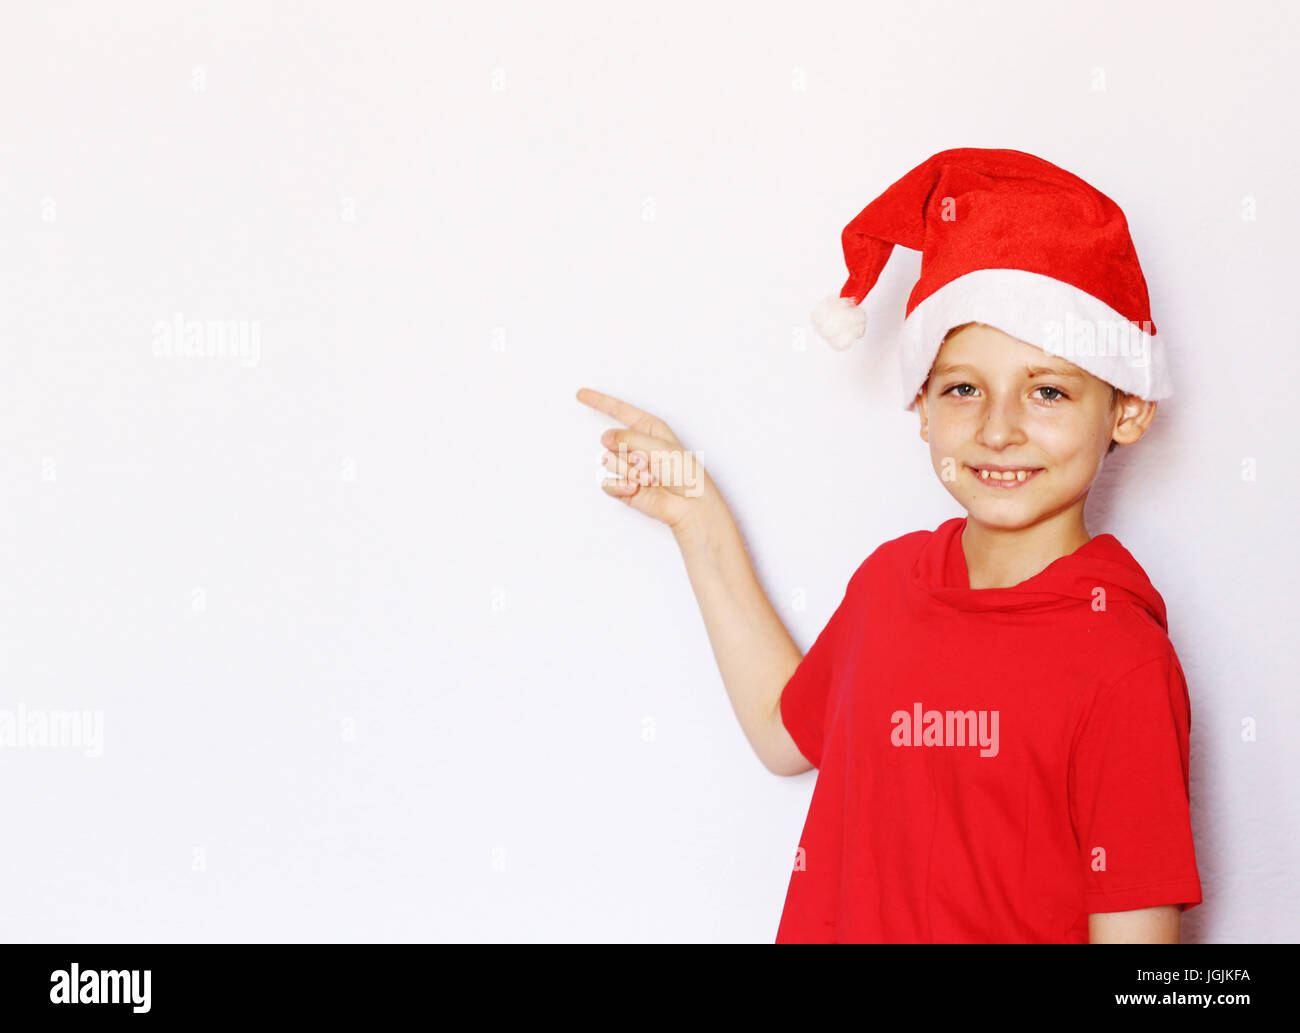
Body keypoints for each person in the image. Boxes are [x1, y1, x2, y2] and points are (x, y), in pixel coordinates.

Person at [575, 147, 1202, 944]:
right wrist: (698, 516)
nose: (999, 427)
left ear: (1129, 411)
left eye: (1048, 390)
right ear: (921, 409)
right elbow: (782, 729)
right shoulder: (889, 583)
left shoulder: (1123, 661)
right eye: (962, 388)